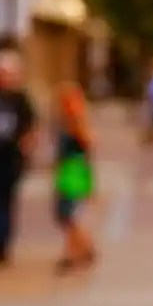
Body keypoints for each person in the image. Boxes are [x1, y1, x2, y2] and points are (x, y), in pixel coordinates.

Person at [0, 50, 36, 266]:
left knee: (5, 202)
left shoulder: (21, 98)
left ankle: (1, 244)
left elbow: (30, 128)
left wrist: (27, 152)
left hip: (10, 157)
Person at [54, 82, 97, 274]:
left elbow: (88, 143)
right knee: (66, 214)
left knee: (70, 213)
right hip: (68, 169)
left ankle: (75, 252)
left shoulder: (76, 121)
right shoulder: (65, 121)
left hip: (74, 170)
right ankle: (83, 248)